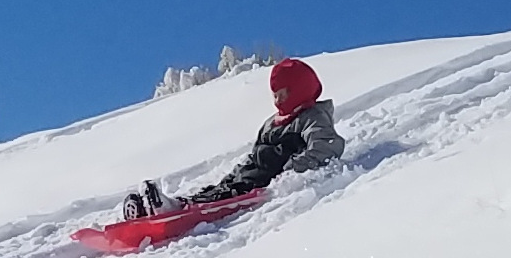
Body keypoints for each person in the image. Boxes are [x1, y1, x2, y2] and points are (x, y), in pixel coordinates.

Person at [124, 57, 346, 220]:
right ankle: (155, 208)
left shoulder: (312, 116)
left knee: (229, 194)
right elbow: (254, 155)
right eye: (274, 95)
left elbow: (327, 145)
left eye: (282, 94)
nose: (277, 101)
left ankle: (171, 209)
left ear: (298, 90)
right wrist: (233, 174)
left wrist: (291, 172)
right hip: (254, 171)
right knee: (220, 188)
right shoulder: (272, 122)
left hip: (271, 174)